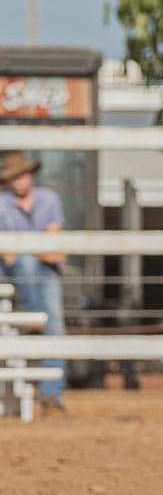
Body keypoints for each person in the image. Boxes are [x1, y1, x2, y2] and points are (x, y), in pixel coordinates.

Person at [0, 152, 67, 411]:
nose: (19, 180)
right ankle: (36, 315)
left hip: (46, 273)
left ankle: (51, 394)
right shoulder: (3, 203)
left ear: (30, 175)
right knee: (52, 322)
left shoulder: (48, 199)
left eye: (22, 174)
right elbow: (7, 253)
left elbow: (55, 247)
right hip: (16, 274)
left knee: (55, 327)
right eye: (14, 176)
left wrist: (25, 248)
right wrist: (33, 249)